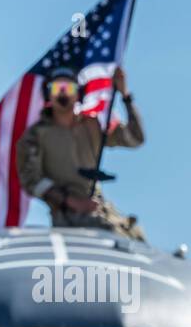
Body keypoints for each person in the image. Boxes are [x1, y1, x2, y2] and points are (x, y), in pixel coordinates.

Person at [16, 66, 146, 240]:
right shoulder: (36, 136)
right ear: (48, 94)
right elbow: (31, 180)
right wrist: (71, 202)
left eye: (68, 88)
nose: (63, 94)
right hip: (68, 219)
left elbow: (135, 138)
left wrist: (125, 95)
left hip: (102, 209)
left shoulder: (92, 125)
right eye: (57, 89)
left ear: (78, 93)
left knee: (135, 240)